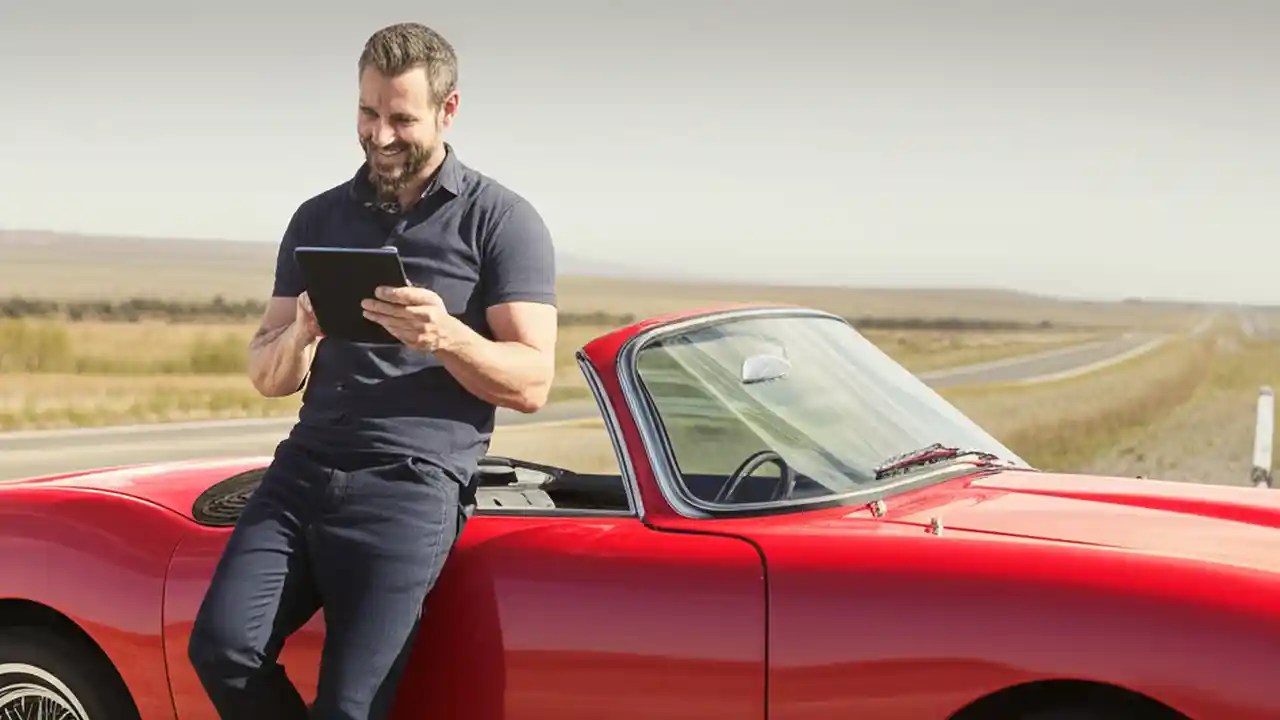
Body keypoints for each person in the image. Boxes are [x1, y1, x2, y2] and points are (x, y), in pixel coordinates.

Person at [186, 21, 558, 720]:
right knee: (221, 648)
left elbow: (534, 382)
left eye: (401, 119)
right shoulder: (317, 218)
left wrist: (446, 336)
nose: (380, 136)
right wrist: (299, 330)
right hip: (302, 473)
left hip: (411, 490)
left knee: (348, 710)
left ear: (448, 111)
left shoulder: (502, 223)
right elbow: (268, 375)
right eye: (367, 113)